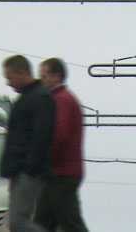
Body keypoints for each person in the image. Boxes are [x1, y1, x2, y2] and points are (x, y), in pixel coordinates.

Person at [0, 55, 55, 232]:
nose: (8, 83)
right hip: (19, 170)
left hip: (28, 171)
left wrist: (30, 168)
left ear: (22, 72)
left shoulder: (40, 98)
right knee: (17, 223)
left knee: (18, 222)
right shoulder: (26, 98)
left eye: (10, 77)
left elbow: (42, 136)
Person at [35, 58, 89, 232]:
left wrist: (43, 159)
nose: (41, 81)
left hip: (61, 173)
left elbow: (59, 135)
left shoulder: (61, 100)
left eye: (44, 76)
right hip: (59, 172)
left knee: (69, 223)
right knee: (44, 222)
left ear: (56, 76)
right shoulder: (62, 98)